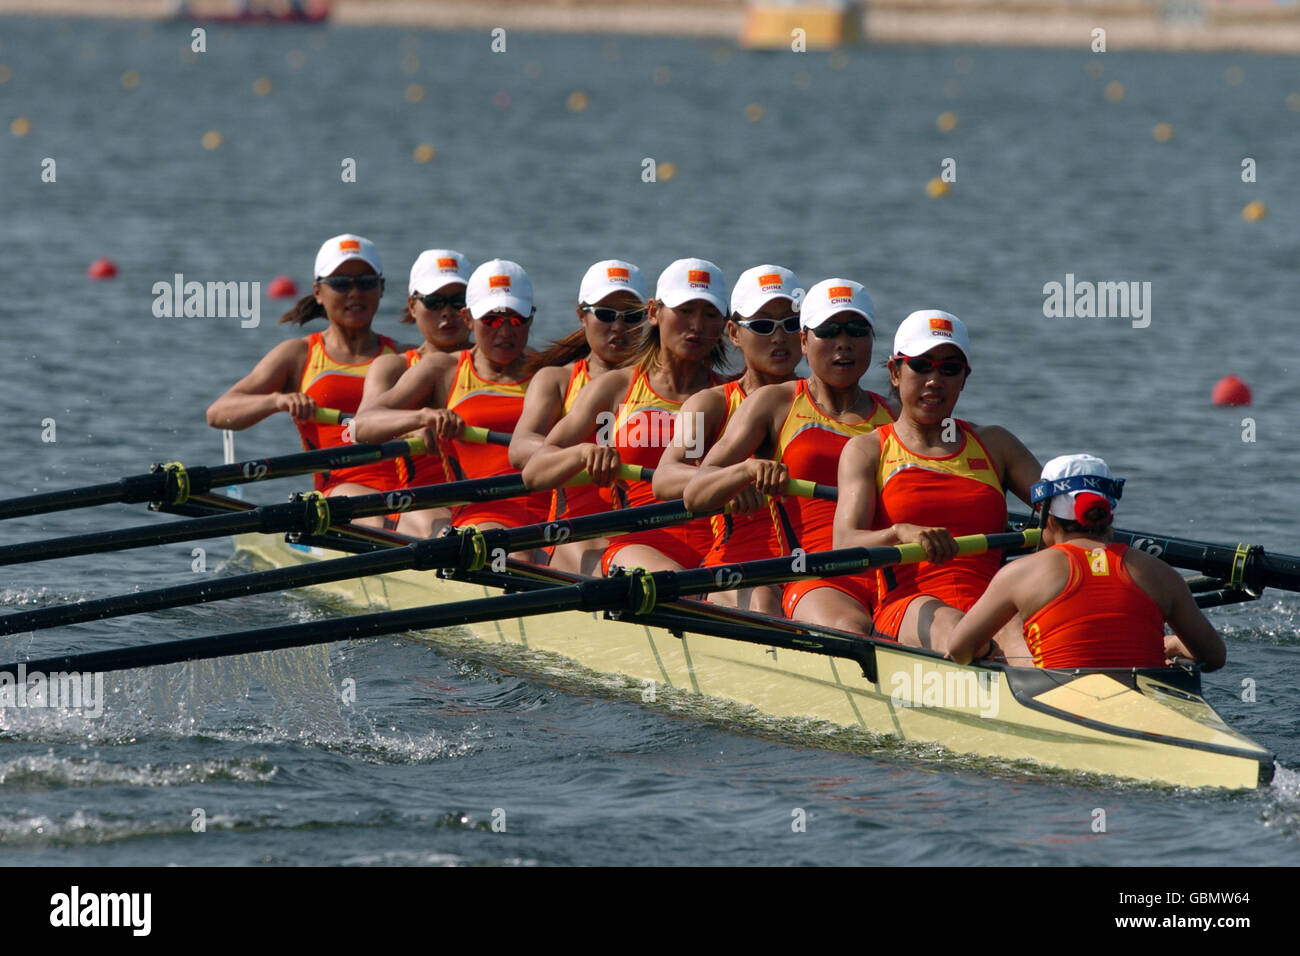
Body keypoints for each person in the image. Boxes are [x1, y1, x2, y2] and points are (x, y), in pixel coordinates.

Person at [685, 278, 896, 630]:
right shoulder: (770, 404)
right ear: (806, 341)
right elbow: (694, 492)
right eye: (829, 331)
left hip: (886, 573)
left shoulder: (896, 416)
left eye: (857, 330)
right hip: (805, 574)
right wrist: (744, 474)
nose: (843, 343)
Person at [834, 310, 1041, 653]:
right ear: (895, 372)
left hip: (990, 603)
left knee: (1015, 628)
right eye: (922, 365)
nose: (934, 379)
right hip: (911, 604)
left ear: (964, 378)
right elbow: (844, 545)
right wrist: (900, 532)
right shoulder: (868, 449)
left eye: (949, 369)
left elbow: (1062, 511)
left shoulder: (996, 444)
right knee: (954, 627)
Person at [522, 258, 730, 574]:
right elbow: (534, 472)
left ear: (725, 325)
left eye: (710, 314)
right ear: (654, 313)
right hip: (634, 546)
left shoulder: (732, 398)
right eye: (685, 311)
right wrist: (582, 452)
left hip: (717, 550)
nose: (697, 326)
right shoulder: (615, 388)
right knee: (675, 581)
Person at [947, 454, 1227, 670]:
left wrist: (998, 653)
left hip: (1056, 701)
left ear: (1047, 516)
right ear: (1110, 515)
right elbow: (1214, 657)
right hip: (1145, 698)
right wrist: (1175, 645)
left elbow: (958, 649)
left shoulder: (1020, 574)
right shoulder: (1161, 573)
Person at [353, 259, 552, 545]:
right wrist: (422, 418)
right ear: (468, 318)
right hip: (480, 516)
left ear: (531, 318)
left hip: (550, 518)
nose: (506, 332)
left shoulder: (551, 373)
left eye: (517, 320)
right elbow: (360, 426)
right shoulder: (440, 369)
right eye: (493, 320)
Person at [206, 234, 400, 525]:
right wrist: (277, 400)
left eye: (366, 282)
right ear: (318, 292)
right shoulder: (299, 355)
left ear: (381, 288)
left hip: (411, 493)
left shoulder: (406, 357)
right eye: (340, 283)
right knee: (372, 518)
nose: (355, 293)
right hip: (340, 494)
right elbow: (219, 413)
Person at [654, 265, 803, 613]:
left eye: (791, 325)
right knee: (767, 602)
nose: (779, 337)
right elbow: (666, 476)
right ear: (734, 333)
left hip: (820, 564)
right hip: (742, 565)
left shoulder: (835, 411)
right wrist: (733, 478)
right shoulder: (712, 405)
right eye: (764, 325)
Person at [508, 260, 649, 574]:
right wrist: (582, 453)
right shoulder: (557, 380)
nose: (618, 327)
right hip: (575, 533)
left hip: (649, 535)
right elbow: (520, 449)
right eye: (605, 314)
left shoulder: (665, 388)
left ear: (648, 318)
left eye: (631, 317)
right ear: (581, 315)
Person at [358, 249, 471, 537]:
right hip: (423, 504)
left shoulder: (513, 368)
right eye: (434, 301)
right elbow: (356, 429)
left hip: (499, 503)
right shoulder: (393, 367)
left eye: (458, 301)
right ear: (412, 305)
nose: (447, 312)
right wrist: (416, 425)